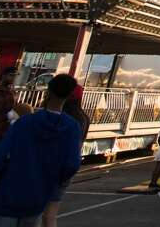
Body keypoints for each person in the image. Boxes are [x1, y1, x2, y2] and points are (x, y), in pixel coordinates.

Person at [0, 73, 82, 227]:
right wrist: (52, 180)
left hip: (10, 191)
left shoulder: (24, 122)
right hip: (39, 195)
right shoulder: (71, 127)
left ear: (48, 91)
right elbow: (72, 164)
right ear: (70, 95)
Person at [42, 85, 92, 227]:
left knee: (34, 212)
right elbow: (78, 146)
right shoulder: (83, 118)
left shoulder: (55, 117)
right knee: (51, 214)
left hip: (46, 165)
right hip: (66, 167)